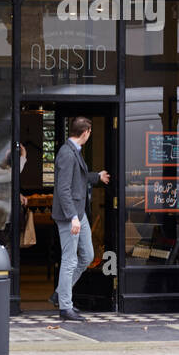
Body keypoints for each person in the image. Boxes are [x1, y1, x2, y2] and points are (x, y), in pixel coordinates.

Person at [51, 116, 109, 321]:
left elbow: (79, 178)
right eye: (90, 132)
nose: (90, 135)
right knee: (70, 259)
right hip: (71, 215)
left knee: (87, 256)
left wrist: (97, 176)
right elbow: (63, 188)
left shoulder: (74, 151)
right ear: (85, 132)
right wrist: (72, 217)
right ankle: (65, 307)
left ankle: (61, 291)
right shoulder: (66, 154)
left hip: (78, 213)